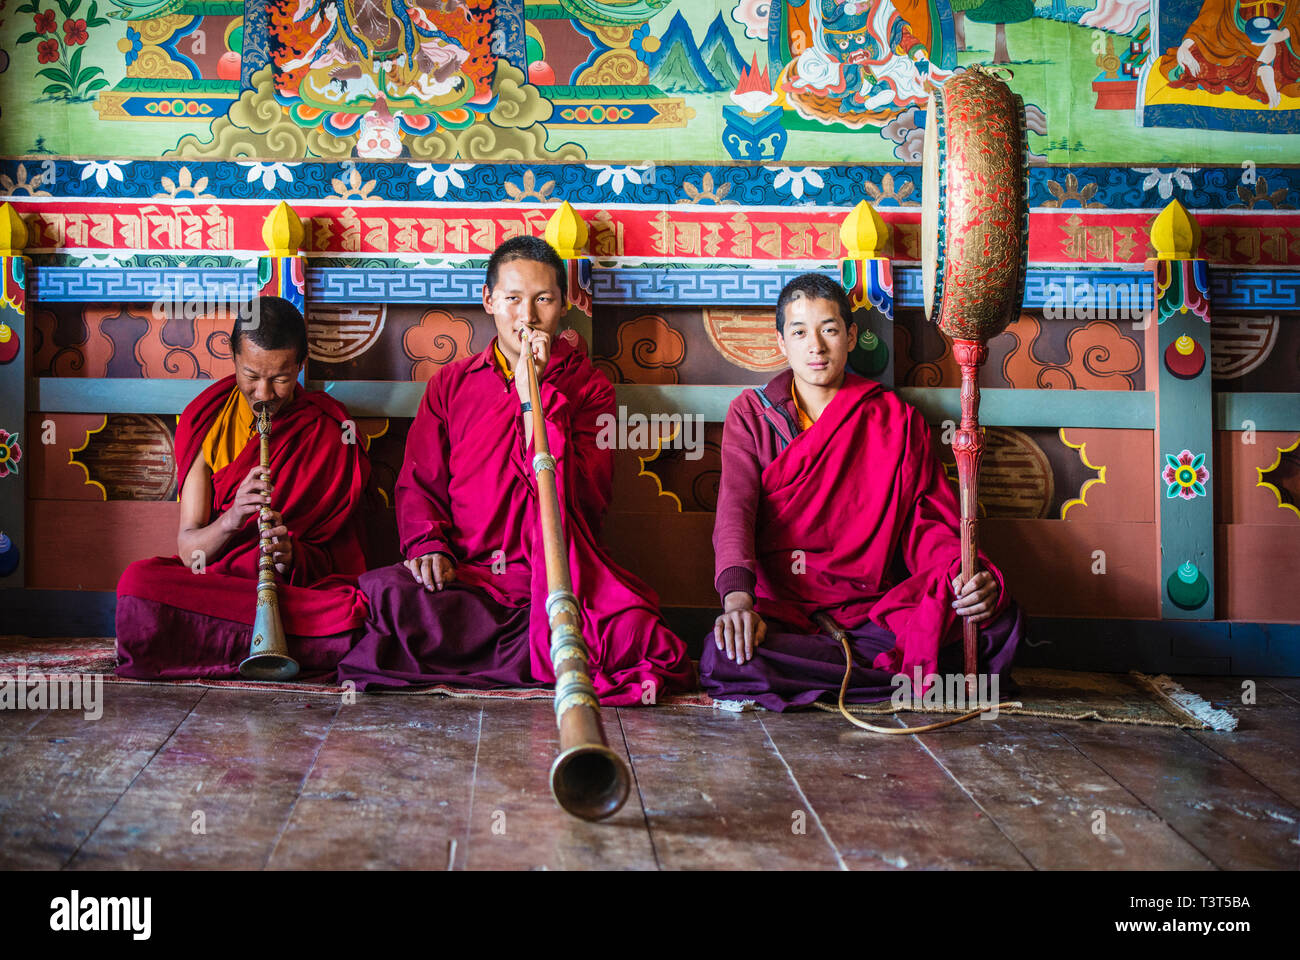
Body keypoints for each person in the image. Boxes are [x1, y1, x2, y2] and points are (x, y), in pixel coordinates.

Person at [338, 236, 695, 705]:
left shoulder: (589, 389)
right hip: (469, 576)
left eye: (543, 299)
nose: (526, 316)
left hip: (559, 573)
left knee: (638, 635)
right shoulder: (451, 383)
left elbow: (586, 497)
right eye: (512, 299)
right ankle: (531, 654)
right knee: (390, 595)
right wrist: (428, 544)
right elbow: (421, 479)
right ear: (488, 300)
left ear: (563, 304)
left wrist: (537, 396)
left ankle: (503, 652)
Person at [700, 273, 1025, 710]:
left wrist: (961, 577)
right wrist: (738, 601)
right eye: (799, 332)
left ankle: (878, 668)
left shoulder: (894, 419)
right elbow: (734, 511)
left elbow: (925, 522)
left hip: (875, 609)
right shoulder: (754, 415)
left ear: (851, 336)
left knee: (994, 622)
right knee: (727, 656)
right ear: (781, 343)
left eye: (829, 330)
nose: (815, 346)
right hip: (788, 613)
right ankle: (908, 673)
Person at [116, 296, 370, 680]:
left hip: (292, 593)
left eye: (281, 379)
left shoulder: (327, 428)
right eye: (251, 376)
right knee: (138, 584)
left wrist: (292, 555)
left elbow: (339, 561)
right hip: (222, 585)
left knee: (354, 611)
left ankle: (211, 640)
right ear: (234, 358)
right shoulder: (208, 418)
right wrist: (232, 519)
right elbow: (189, 552)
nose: (265, 394)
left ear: (300, 367)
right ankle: (280, 643)